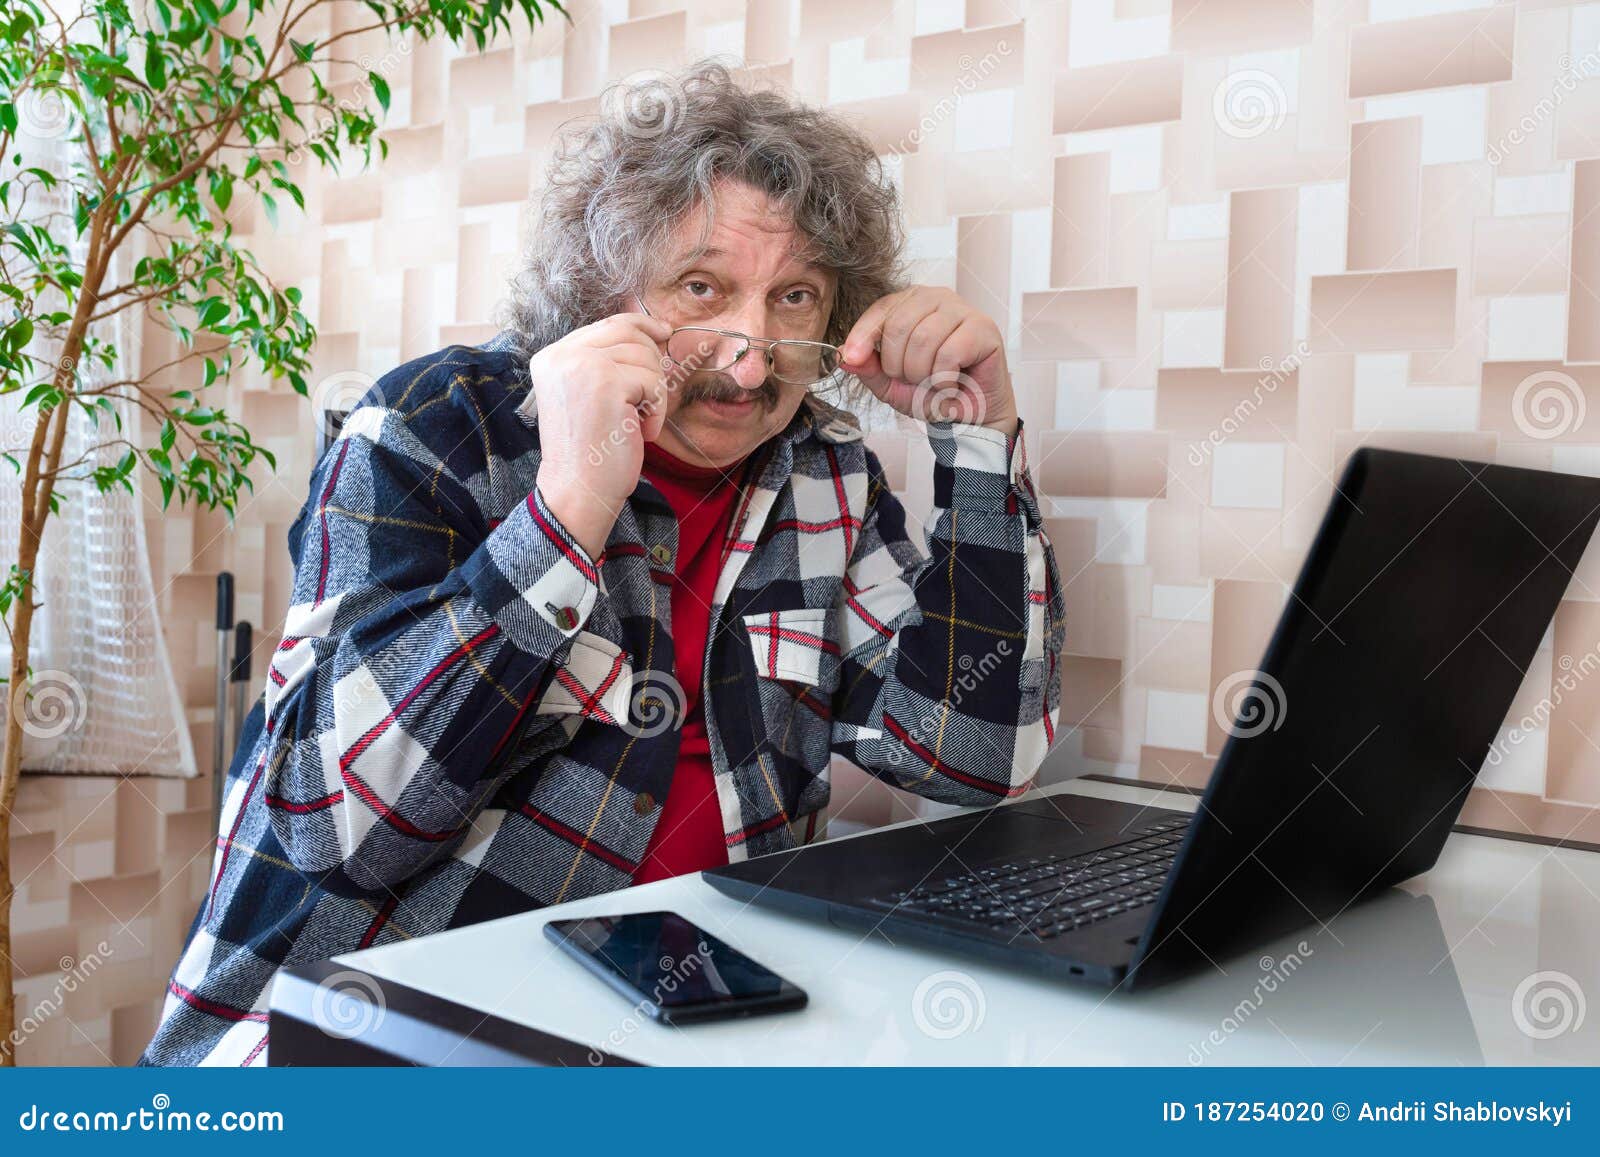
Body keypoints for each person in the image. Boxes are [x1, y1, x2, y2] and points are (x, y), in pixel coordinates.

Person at [141, 60, 1064, 1067]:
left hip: (684, 1038)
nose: (750, 358)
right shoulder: (431, 426)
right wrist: (567, 505)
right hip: (357, 1038)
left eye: (793, 297)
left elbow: (971, 757)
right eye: (702, 286)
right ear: (600, 291)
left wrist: (980, 443)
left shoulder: (824, 471)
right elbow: (340, 830)